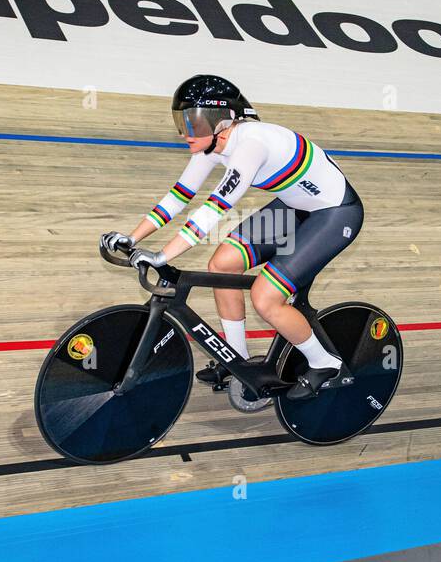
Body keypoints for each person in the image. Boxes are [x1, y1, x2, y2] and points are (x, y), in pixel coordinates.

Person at [101, 74, 363, 402]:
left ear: (224, 120)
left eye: (195, 122)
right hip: (294, 207)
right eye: (183, 121)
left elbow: (214, 209)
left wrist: (163, 256)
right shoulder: (212, 144)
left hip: (335, 214)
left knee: (265, 297)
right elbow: (179, 196)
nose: (187, 132)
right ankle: (236, 360)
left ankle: (326, 364)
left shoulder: (251, 145)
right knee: (222, 264)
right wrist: (132, 237)